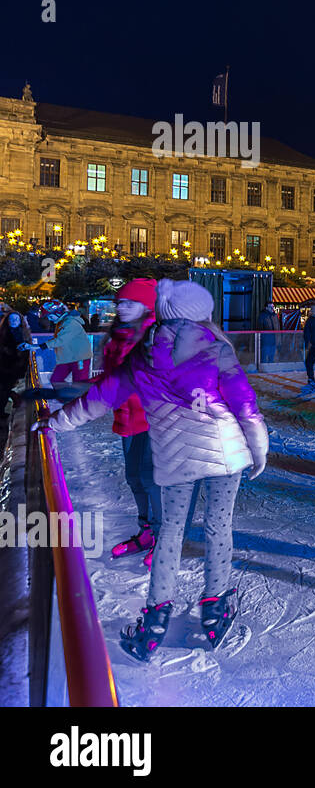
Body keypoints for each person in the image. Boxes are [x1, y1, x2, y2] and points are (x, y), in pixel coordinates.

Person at [44, 279, 268, 660]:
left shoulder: (143, 353)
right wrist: (259, 448)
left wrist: (54, 423)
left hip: (174, 458)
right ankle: (214, 609)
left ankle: (156, 619)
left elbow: (100, 397)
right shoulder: (216, 349)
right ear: (201, 314)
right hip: (224, 455)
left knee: (170, 533)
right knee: (218, 527)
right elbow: (244, 403)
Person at [100, 280, 163, 567]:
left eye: (129, 302)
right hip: (126, 418)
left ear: (146, 305)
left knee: (151, 480)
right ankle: (146, 531)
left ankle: (163, 537)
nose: (121, 307)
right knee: (134, 478)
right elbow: (108, 383)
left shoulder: (157, 337)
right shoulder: (116, 339)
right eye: (120, 303)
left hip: (153, 420)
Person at [22, 300, 92, 383]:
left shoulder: (71, 323)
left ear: (58, 313)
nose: (48, 318)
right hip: (67, 358)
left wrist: (37, 346)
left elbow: (60, 340)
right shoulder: (61, 323)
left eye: (50, 316)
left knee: (80, 384)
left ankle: (80, 395)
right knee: (56, 380)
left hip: (80, 359)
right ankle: (68, 394)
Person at [0, 310, 32, 419]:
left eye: (16, 319)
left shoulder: (24, 333)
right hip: (4, 367)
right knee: (4, 389)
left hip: (17, 367)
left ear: (20, 321)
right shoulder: (3, 333)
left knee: (7, 389)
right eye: (11, 319)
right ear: (7, 321)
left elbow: (27, 350)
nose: (13, 321)